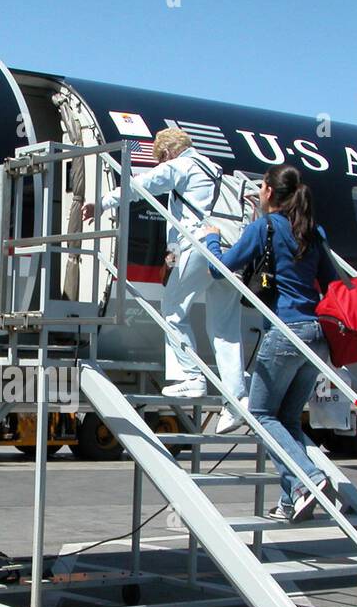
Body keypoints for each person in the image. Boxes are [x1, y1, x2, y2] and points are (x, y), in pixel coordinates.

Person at [204, 164, 337, 519]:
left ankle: (308, 476)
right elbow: (331, 280)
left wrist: (212, 236)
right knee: (289, 420)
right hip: (317, 336)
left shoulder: (263, 227)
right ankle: (292, 499)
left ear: (267, 192)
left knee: (260, 414)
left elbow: (219, 268)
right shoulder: (313, 231)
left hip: (285, 332)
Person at [82, 127, 245, 410]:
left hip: (198, 245)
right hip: (227, 248)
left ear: (168, 153)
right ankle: (237, 394)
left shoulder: (181, 165)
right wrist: (171, 259)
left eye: (161, 159)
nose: (161, 164)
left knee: (172, 310)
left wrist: (104, 203)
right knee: (225, 326)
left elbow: (141, 186)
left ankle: (191, 376)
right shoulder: (216, 169)